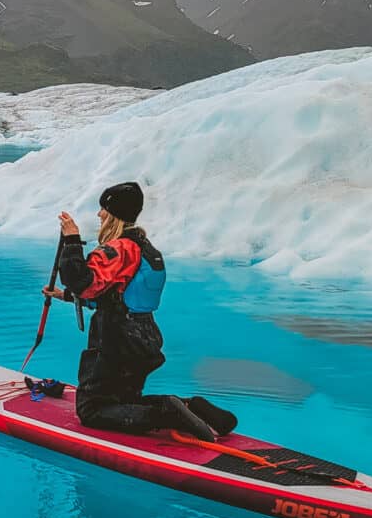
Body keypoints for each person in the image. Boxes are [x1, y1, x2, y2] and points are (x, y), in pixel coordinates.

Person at [42, 182, 237, 441]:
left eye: (104, 209)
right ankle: (192, 407)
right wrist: (66, 296)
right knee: (122, 400)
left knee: (92, 410)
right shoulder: (144, 247)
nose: (99, 214)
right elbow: (119, 294)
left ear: (115, 214)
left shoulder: (119, 249)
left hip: (116, 340)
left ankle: (168, 412)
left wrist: (72, 241)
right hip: (142, 337)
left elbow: (85, 283)